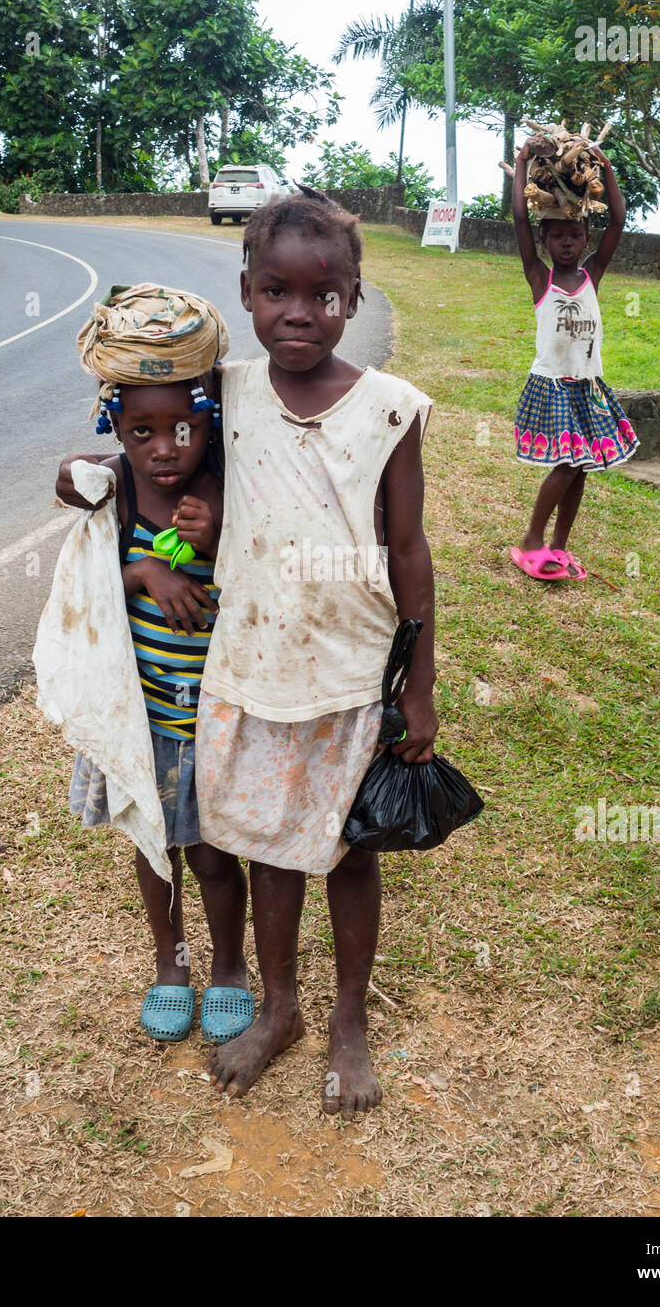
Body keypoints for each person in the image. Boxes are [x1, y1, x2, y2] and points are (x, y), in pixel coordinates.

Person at [194, 185, 437, 1117]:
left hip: (350, 674)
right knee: (266, 850)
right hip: (253, 668)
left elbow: (408, 550)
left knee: (345, 853)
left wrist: (417, 689)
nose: (299, 313)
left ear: (353, 299)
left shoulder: (389, 410)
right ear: (248, 291)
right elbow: (154, 444)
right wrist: (86, 471)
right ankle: (280, 1007)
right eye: (276, 293)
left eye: (322, 295)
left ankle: (347, 1022)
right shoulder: (231, 391)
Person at [51, 286, 252, 1046]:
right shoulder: (123, 491)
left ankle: (230, 968)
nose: (163, 448)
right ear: (116, 429)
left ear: (211, 418)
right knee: (154, 847)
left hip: (218, 724)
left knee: (212, 854)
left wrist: (221, 535)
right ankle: (171, 967)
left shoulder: (230, 488)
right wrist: (145, 575)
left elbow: (270, 572)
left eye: (180, 428)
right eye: (140, 431)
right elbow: (74, 501)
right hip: (147, 723)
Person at [508, 139, 639, 581]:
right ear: (544, 241)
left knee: (582, 466)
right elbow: (520, 219)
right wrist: (523, 166)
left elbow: (618, 219)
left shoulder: (591, 275)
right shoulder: (539, 278)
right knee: (568, 462)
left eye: (575, 235)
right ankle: (531, 538)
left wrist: (606, 167)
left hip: (587, 384)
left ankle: (559, 546)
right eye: (558, 236)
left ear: (586, 238)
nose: (567, 243)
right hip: (553, 384)